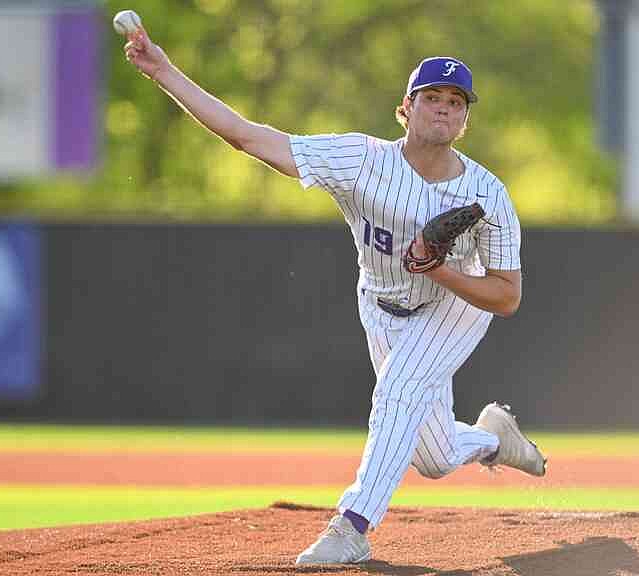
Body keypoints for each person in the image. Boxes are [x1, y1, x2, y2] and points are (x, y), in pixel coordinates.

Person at [123, 27, 547, 566]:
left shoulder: (489, 194)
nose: (443, 108)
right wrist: (163, 71)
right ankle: (491, 438)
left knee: (397, 394)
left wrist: (437, 271)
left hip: (455, 306)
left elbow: (506, 297)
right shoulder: (361, 160)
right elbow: (249, 137)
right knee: (434, 457)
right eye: (431, 97)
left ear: (465, 120)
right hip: (381, 304)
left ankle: (352, 525)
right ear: (405, 110)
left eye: (455, 101)